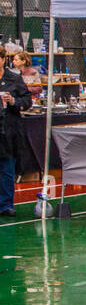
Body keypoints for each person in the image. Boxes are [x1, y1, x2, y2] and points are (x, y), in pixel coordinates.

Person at [0, 59, 33, 217]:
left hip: (8, 130)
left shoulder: (14, 78)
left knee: (6, 167)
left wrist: (14, 101)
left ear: (2, 59)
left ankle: (5, 205)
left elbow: (27, 102)